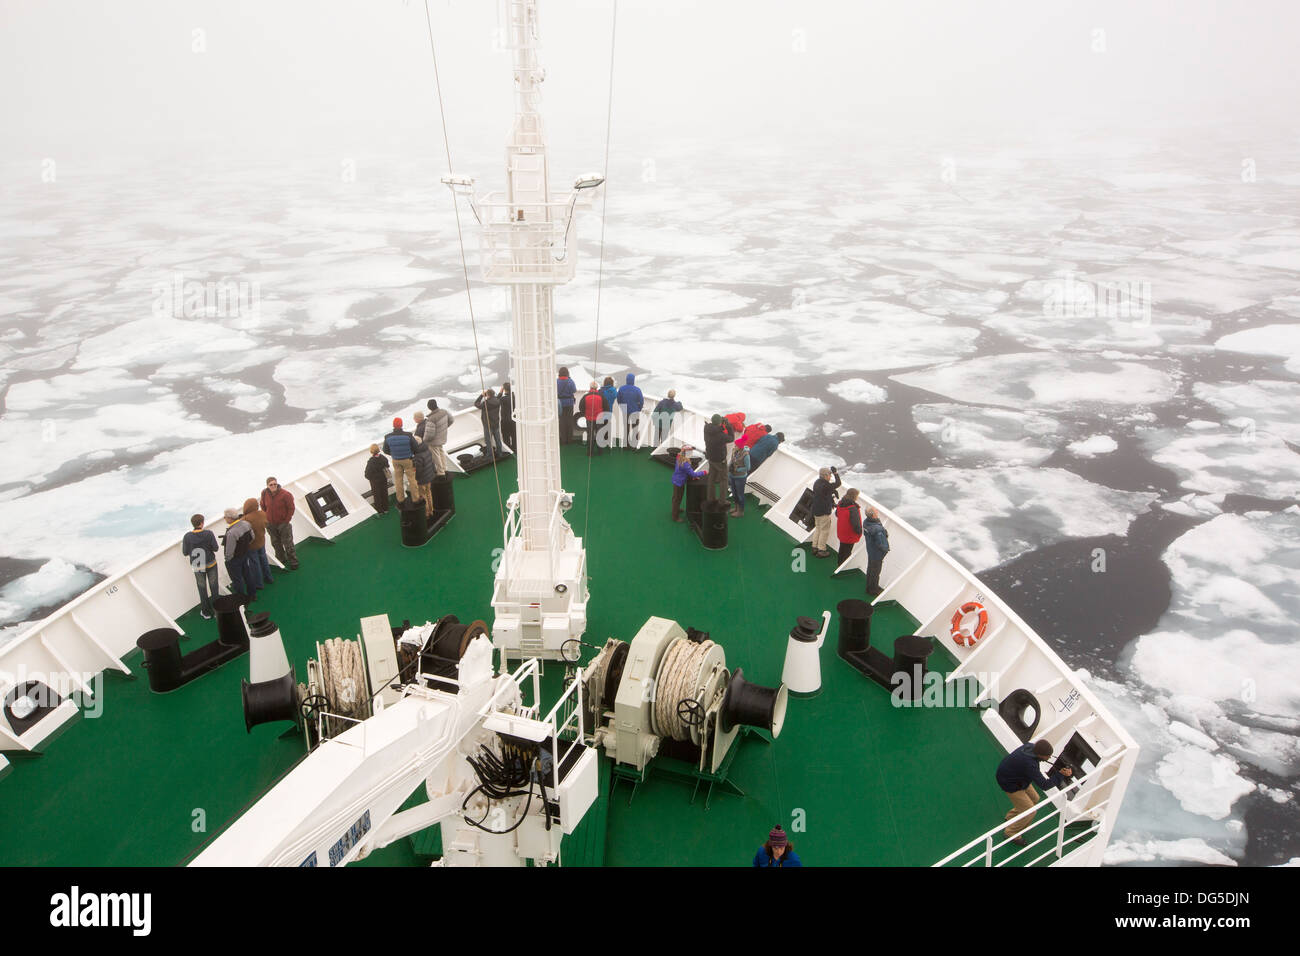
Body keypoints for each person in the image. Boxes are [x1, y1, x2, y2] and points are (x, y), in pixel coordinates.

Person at [996, 739, 1072, 845]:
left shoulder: (1030, 747)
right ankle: (1011, 832)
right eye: (1048, 756)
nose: (1049, 758)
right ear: (1041, 755)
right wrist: (1061, 775)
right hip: (1009, 783)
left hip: (1017, 777)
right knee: (1031, 811)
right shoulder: (1029, 763)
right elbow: (1045, 785)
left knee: (1035, 799)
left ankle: (1011, 817)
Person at [181, 514, 219, 619]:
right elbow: (215, 548)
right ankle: (218, 612)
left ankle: (206, 613)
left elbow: (185, 552)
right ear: (202, 523)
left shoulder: (187, 536)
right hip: (211, 563)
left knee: (202, 589)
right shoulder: (209, 534)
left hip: (197, 566)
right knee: (214, 587)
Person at [260, 477, 298, 571]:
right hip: (271, 524)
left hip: (283, 524)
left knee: (288, 543)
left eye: (274, 484)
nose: (273, 486)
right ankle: (281, 559)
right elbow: (263, 506)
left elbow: (291, 508)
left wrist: (286, 521)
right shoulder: (264, 493)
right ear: (267, 486)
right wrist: (267, 518)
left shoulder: (286, 494)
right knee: (276, 543)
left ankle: (293, 561)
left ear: (277, 484)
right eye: (271, 485)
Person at [222, 506, 255, 597]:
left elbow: (229, 552)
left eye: (225, 517)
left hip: (235, 560)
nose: (224, 518)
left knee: (237, 580)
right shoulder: (246, 524)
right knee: (247, 575)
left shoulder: (232, 533)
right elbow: (252, 537)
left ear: (229, 518)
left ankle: (241, 599)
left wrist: (228, 560)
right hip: (245, 554)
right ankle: (252, 595)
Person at [383, 418, 418, 502]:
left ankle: (401, 499)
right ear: (401, 425)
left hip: (396, 461)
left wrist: (394, 454)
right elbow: (416, 447)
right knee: (412, 479)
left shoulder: (387, 437)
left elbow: (385, 450)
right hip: (408, 460)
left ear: (393, 425)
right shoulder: (408, 435)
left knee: (398, 480)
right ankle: (416, 498)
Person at [809, 466, 841, 558]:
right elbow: (838, 483)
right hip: (823, 512)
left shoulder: (817, 482)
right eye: (829, 475)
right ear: (825, 475)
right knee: (824, 531)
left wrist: (833, 492)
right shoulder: (826, 485)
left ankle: (814, 547)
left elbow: (824, 494)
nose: (830, 477)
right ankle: (821, 550)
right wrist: (836, 473)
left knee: (818, 528)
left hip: (816, 510)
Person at [242, 497, 272, 588]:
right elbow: (267, 523)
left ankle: (259, 584)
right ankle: (269, 577)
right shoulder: (263, 514)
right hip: (261, 541)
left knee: (255, 564)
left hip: (251, 545)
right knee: (264, 560)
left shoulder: (245, 519)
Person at [671, 446, 706, 522]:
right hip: (679, 482)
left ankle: (676, 508)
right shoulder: (685, 463)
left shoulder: (679, 457)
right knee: (677, 498)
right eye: (690, 451)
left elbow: (687, 472)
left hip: (677, 480)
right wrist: (704, 472)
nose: (692, 453)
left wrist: (688, 448)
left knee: (676, 497)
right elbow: (693, 474)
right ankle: (675, 516)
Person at [702, 414, 731, 502]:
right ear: (719, 423)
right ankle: (722, 501)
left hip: (711, 457)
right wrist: (728, 426)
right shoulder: (721, 436)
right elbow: (731, 438)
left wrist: (721, 427)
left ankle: (710, 498)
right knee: (723, 480)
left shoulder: (706, 428)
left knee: (711, 478)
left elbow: (715, 429)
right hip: (720, 460)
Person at [863, 506, 890, 597]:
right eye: (876, 511)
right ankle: (873, 590)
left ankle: (869, 586)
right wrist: (885, 550)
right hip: (877, 553)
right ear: (873, 514)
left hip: (870, 550)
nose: (877, 511)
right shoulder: (877, 529)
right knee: (875, 572)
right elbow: (881, 543)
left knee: (870, 568)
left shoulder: (866, 522)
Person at [834, 488, 862, 569]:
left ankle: (839, 564)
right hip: (849, 534)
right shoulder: (853, 509)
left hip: (841, 531)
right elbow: (856, 525)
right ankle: (842, 568)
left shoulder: (840, 503)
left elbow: (837, 514)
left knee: (842, 548)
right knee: (847, 551)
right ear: (854, 496)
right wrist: (860, 532)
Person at [425, 399, 454, 476]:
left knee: (436, 457)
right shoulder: (444, 412)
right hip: (442, 437)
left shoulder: (431, 419)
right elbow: (451, 420)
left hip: (433, 442)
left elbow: (429, 435)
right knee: (441, 452)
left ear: (429, 407)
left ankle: (441, 473)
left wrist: (424, 440)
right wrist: (444, 428)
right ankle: (445, 469)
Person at [474, 389, 505, 459]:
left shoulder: (486, 403)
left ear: (487, 395)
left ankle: (490, 455)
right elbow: (498, 396)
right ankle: (500, 453)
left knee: (488, 441)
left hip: (488, 425)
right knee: (498, 439)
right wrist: (501, 391)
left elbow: (476, 403)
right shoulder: (498, 400)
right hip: (496, 424)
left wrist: (481, 395)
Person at [616, 373, 644, 449]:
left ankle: (626, 445)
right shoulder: (637, 390)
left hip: (625, 411)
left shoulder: (621, 388)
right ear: (633, 380)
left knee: (626, 428)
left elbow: (618, 399)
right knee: (635, 428)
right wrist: (639, 409)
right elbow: (641, 401)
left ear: (627, 380)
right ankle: (634, 445)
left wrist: (622, 407)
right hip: (635, 411)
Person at [580, 381, 608, 456]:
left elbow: (581, 407)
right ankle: (600, 452)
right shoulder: (601, 396)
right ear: (597, 388)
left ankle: (590, 452)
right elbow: (606, 408)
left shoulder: (585, 396)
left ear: (590, 387)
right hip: (599, 419)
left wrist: (585, 415)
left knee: (590, 435)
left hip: (589, 419)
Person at [412, 437, 437, 517]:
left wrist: (416, 479)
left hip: (422, 479)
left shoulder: (417, 456)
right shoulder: (427, 450)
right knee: (429, 493)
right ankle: (431, 510)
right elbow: (432, 462)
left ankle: (426, 513)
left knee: (423, 495)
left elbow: (419, 470)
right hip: (429, 476)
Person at [364, 443, 391, 514]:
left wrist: (371, 478)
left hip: (375, 481)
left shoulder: (371, 461)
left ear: (371, 451)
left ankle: (380, 510)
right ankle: (386, 508)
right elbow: (387, 465)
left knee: (377, 496)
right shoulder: (383, 458)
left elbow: (367, 474)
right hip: (383, 478)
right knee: (384, 493)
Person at [728, 440, 751, 517]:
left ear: (740, 446)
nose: (735, 446)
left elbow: (748, 467)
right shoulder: (735, 451)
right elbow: (732, 460)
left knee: (740, 495)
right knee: (734, 493)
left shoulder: (746, 455)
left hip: (740, 478)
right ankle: (736, 508)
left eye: (736, 445)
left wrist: (738, 470)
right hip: (732, 475)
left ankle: (741, 512)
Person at [557, 367, 577, 444]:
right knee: (569, 421)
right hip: (569, 403)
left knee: (562, 421)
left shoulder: (557, 381)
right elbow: (574, 390)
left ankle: (563, 440)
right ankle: (569, 439)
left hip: (560, 403)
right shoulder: (570, 381)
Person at [499, 382, 516, 452]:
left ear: (504, 390)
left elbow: (496, 400)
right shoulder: (514, 397)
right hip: (513, 420)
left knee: (506, 436)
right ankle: (515, 448)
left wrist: (500, 391)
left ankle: (508, 450)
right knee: (514, 435)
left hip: (505, 421)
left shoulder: (503, 399)